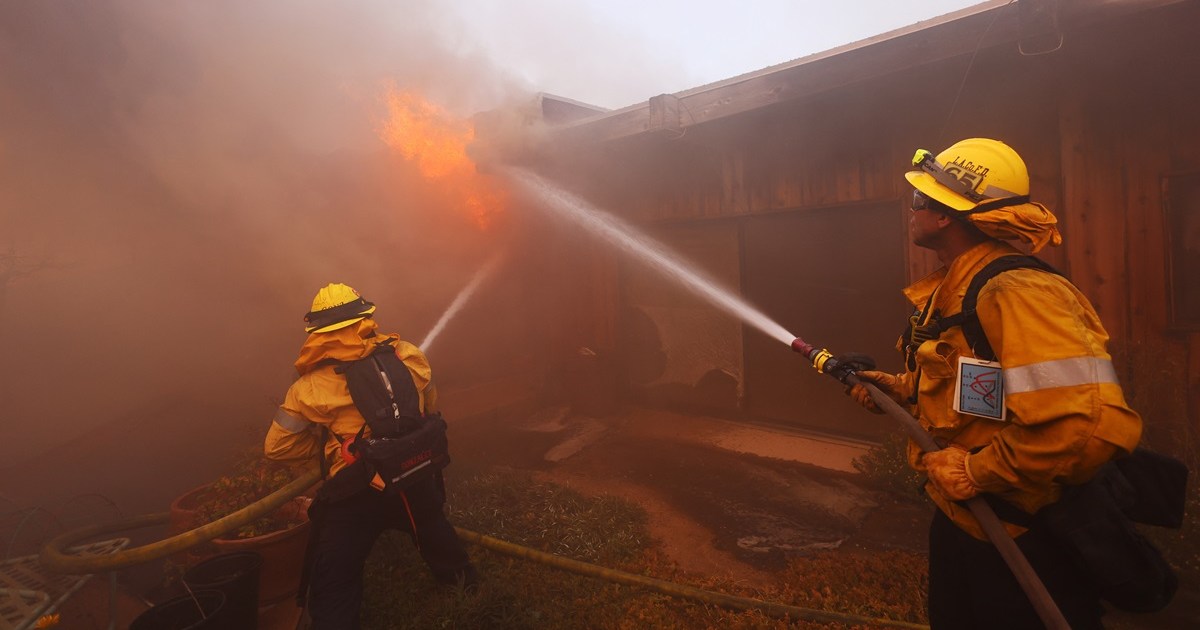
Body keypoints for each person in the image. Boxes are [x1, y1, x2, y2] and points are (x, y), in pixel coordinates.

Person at [848, 138, 1143, 629]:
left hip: (1021, 534)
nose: (912, 210)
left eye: (919, 199)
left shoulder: (1018, 291)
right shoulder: (956, 288)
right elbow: (973, 387)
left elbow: (1086, 425)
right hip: (965, 520)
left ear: (946, 216)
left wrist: (979, 472)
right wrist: (897, 390)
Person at [264, 282, 477, 629]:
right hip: (412, 473)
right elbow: (429, 405)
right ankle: (467, 588)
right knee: (434, 531)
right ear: (365, 318)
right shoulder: (408, 356)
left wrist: (330, 449)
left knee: (336, 576)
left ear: (316, 333)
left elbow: (277, 447)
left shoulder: (308, 389)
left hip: (354, 490)